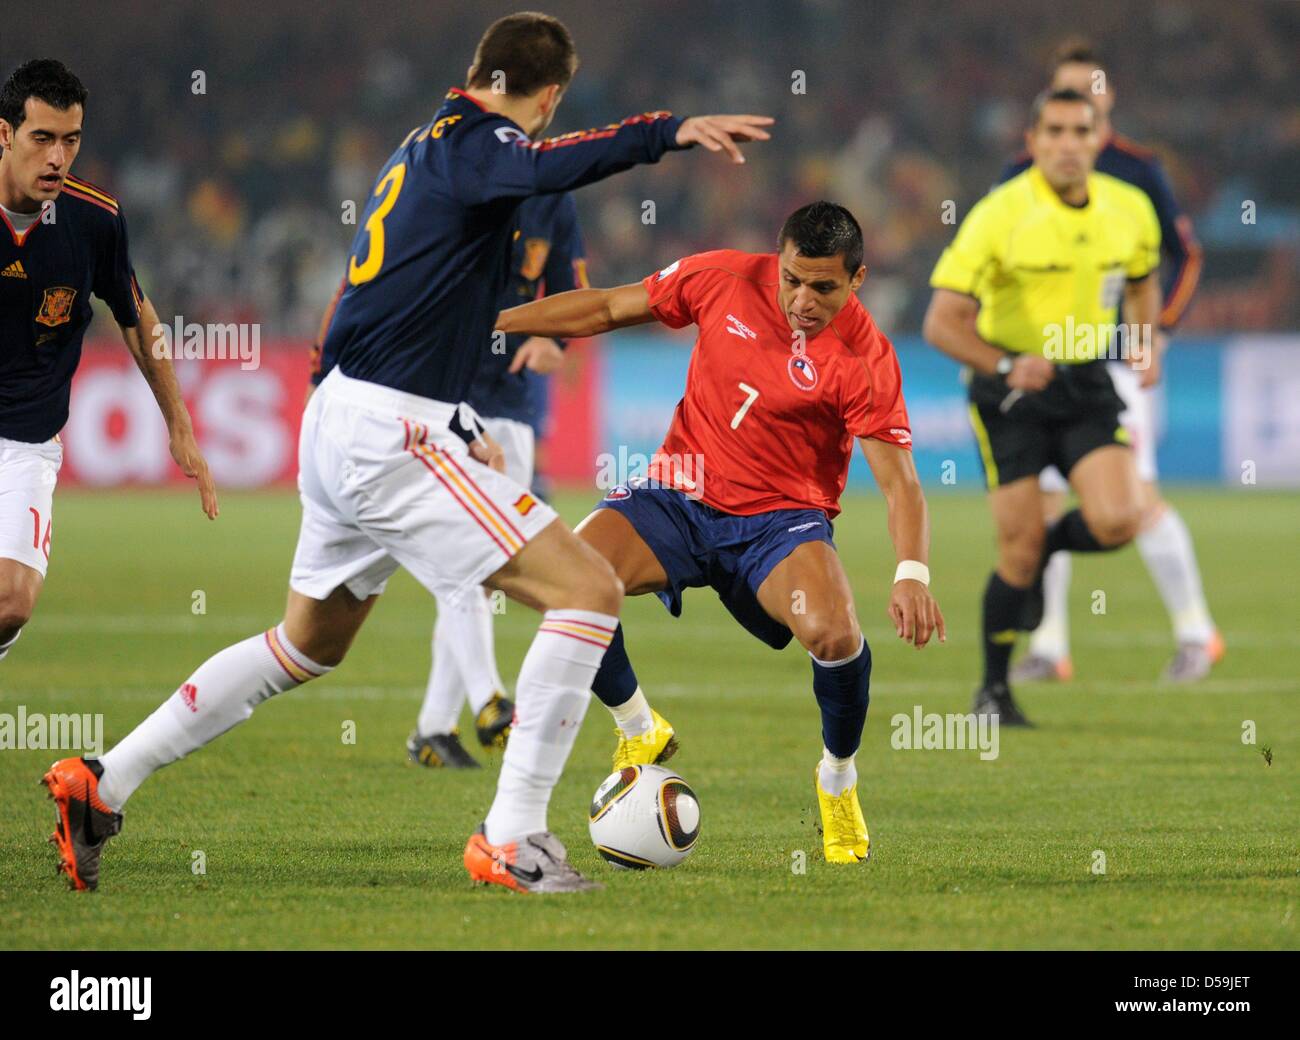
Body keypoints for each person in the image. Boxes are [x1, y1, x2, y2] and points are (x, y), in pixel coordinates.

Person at [41, 11, 772, 894]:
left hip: (352, 415)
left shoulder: (424, 146)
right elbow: (545, 167)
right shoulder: (480, 142)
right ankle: (512, 834)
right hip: (389, 432)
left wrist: (441, 421)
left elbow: (378, 299)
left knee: (304, 646)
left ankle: (103, 781)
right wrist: (665, 133)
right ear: (548, 97)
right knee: (589, 590)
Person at [492, 201, 945, 864]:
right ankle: (637, 725)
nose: (802, 299)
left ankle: (837, 779)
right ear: (778, 260)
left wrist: (912, 572)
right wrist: (493, 320)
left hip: (780, 520)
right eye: (793, 279)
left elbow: (901, 481)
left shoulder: (865, 356)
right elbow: (611, 308)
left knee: (836, 634)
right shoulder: (723, 278)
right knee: (569, 578)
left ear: (857, 280)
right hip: (676, 492)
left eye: (823, 287)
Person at [924, 87, 1162, 727]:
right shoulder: (999, 215)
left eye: (1079, 131)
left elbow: (1142, 282)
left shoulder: (1130, 209)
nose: (1066, 144)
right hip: (1010, 391)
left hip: (1085, 383)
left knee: (1120, 519)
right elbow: (941, 324)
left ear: (1098, 139)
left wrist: (1146, 339)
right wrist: (1004, 365)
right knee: (1017, 552)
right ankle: (992, 692)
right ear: (1031, 142)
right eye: (1052, 131)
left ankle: (1051, 545)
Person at [1000, 41, 1220, 683]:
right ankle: (1049, 645)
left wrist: (1155, 334)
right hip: (1041, 368)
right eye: (1066, 98)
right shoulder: (1018, 179)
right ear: (1046, 113)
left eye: (1090, 94)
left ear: (1108, 100)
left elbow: (1184, 256)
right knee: (1042, 505)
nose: (1081, 110)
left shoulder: (1135, 173)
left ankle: (1196, 632)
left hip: (1114, 365)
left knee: (1135, 499)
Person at [0, 58, 216, 667]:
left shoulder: (94, 220)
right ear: (4, 134)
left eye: (70, 140)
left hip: (26, 440)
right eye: (42, 138)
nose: (57, 159)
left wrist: (178, 421)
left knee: (12, 602)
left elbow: (136, 313)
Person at [407, 191, 588, 768]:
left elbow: (571, 289)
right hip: (442, 397)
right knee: (471, 558)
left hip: (511, 407)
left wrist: (553, 339)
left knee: (481, 568)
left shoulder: (554, 201)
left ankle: (434, 729)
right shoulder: (457, 182)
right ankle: (488, 702)